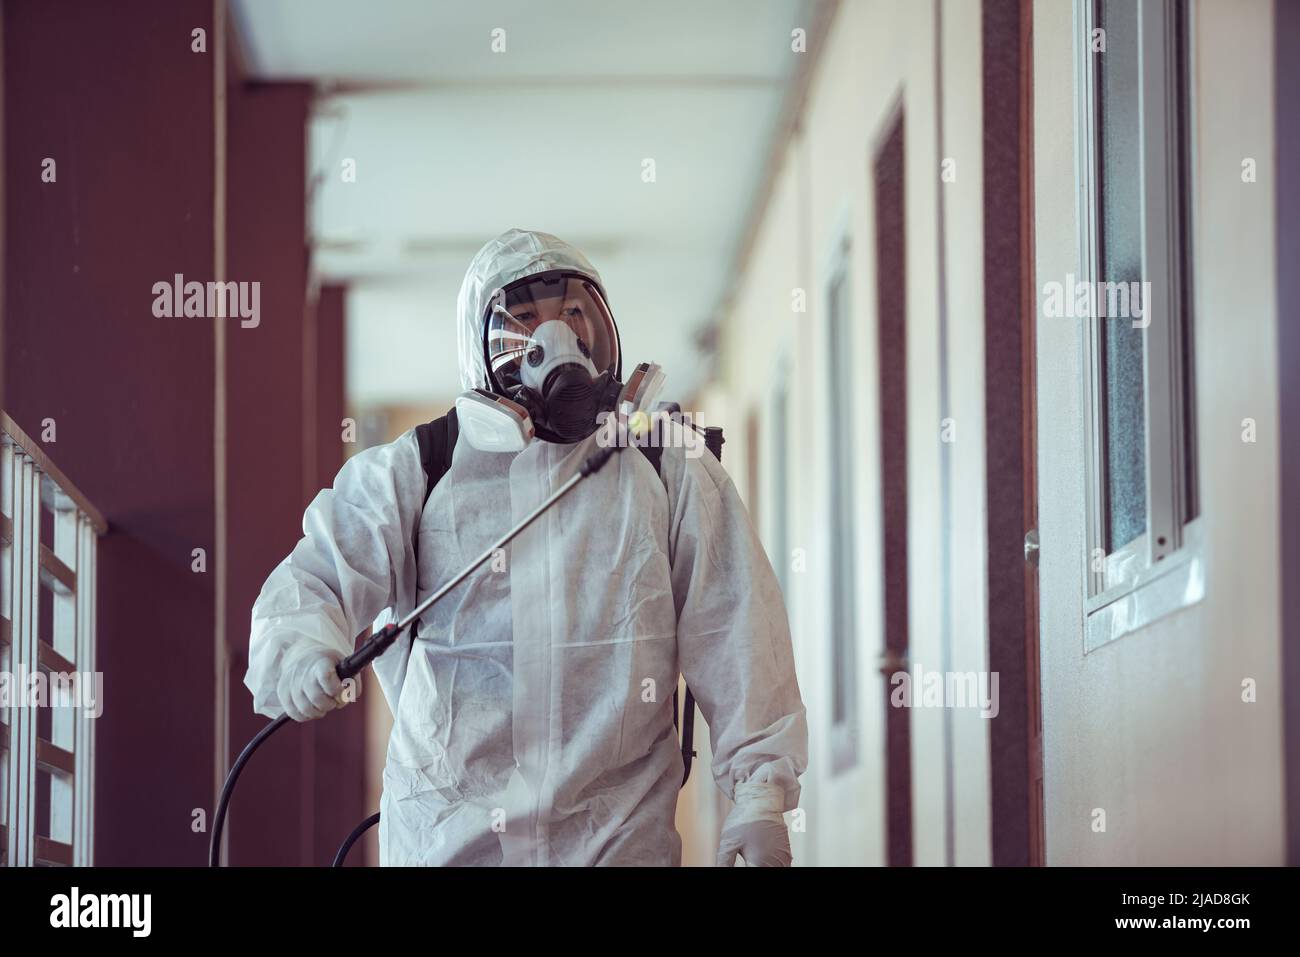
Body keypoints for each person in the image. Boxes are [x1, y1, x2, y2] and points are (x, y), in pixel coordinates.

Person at [244, 228, 808, 866]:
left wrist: (761, 791)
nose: (556, 340)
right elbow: (316, 577)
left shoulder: (662, 465)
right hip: (450, 844)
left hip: (616, 844)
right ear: (479, 347)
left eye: (573, 314)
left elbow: (735, 621)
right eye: (525, 321)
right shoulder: (418, 471)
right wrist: (299, 652)